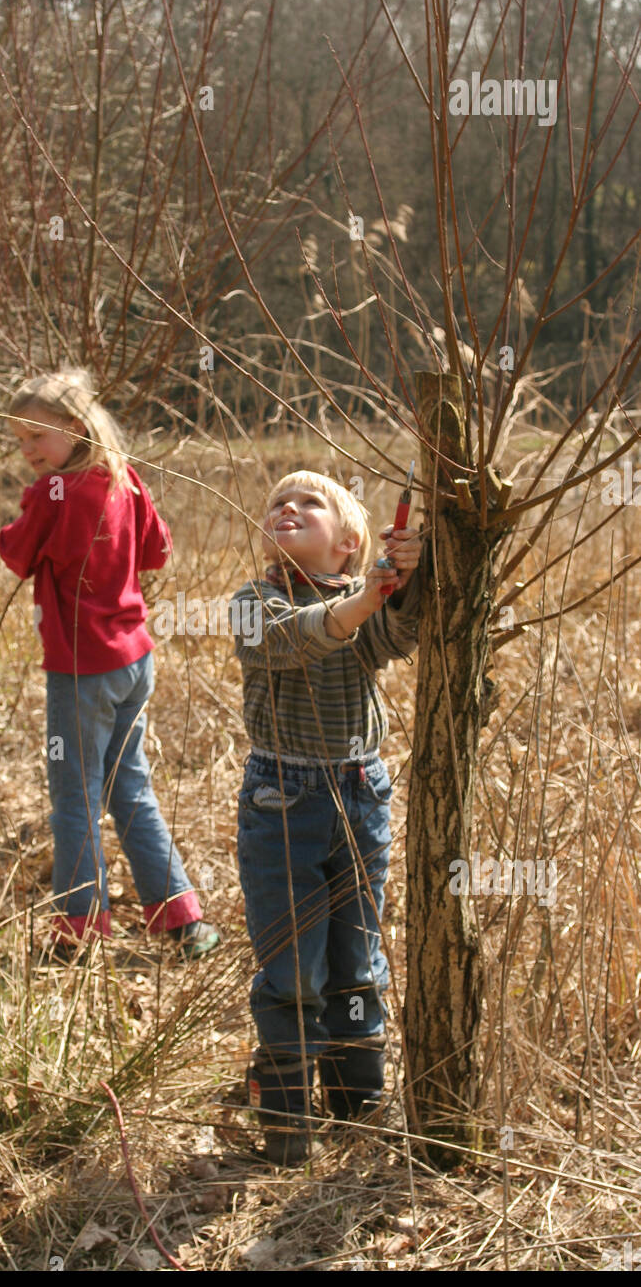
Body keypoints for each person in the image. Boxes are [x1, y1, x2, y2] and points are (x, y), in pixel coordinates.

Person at [0, 368, 220, 960]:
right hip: (133, 659)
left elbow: (16, 554)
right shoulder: (123, 478)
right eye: (19, 441)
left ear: (73, 426)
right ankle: (181, 918)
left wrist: (30, 507)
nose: (28, 451)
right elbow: (159, 551)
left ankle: (78, 927)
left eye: (35, 437)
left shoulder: (52, 493)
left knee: (75, 796)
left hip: (82, 668)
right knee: (130, 787)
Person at [231, 469, 421, 1163]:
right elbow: (300, 638)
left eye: (310, 502)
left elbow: (402, 635)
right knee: (292, 964)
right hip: (283, 801)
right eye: (277, 501)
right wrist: (369, 596)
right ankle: (285, 1117)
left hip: (361, 794)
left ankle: (356, 1100)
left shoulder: (364, 600)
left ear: (348, 542)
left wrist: (410, 577)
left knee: (357, 956)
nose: (288, 507)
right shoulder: (255, 603)